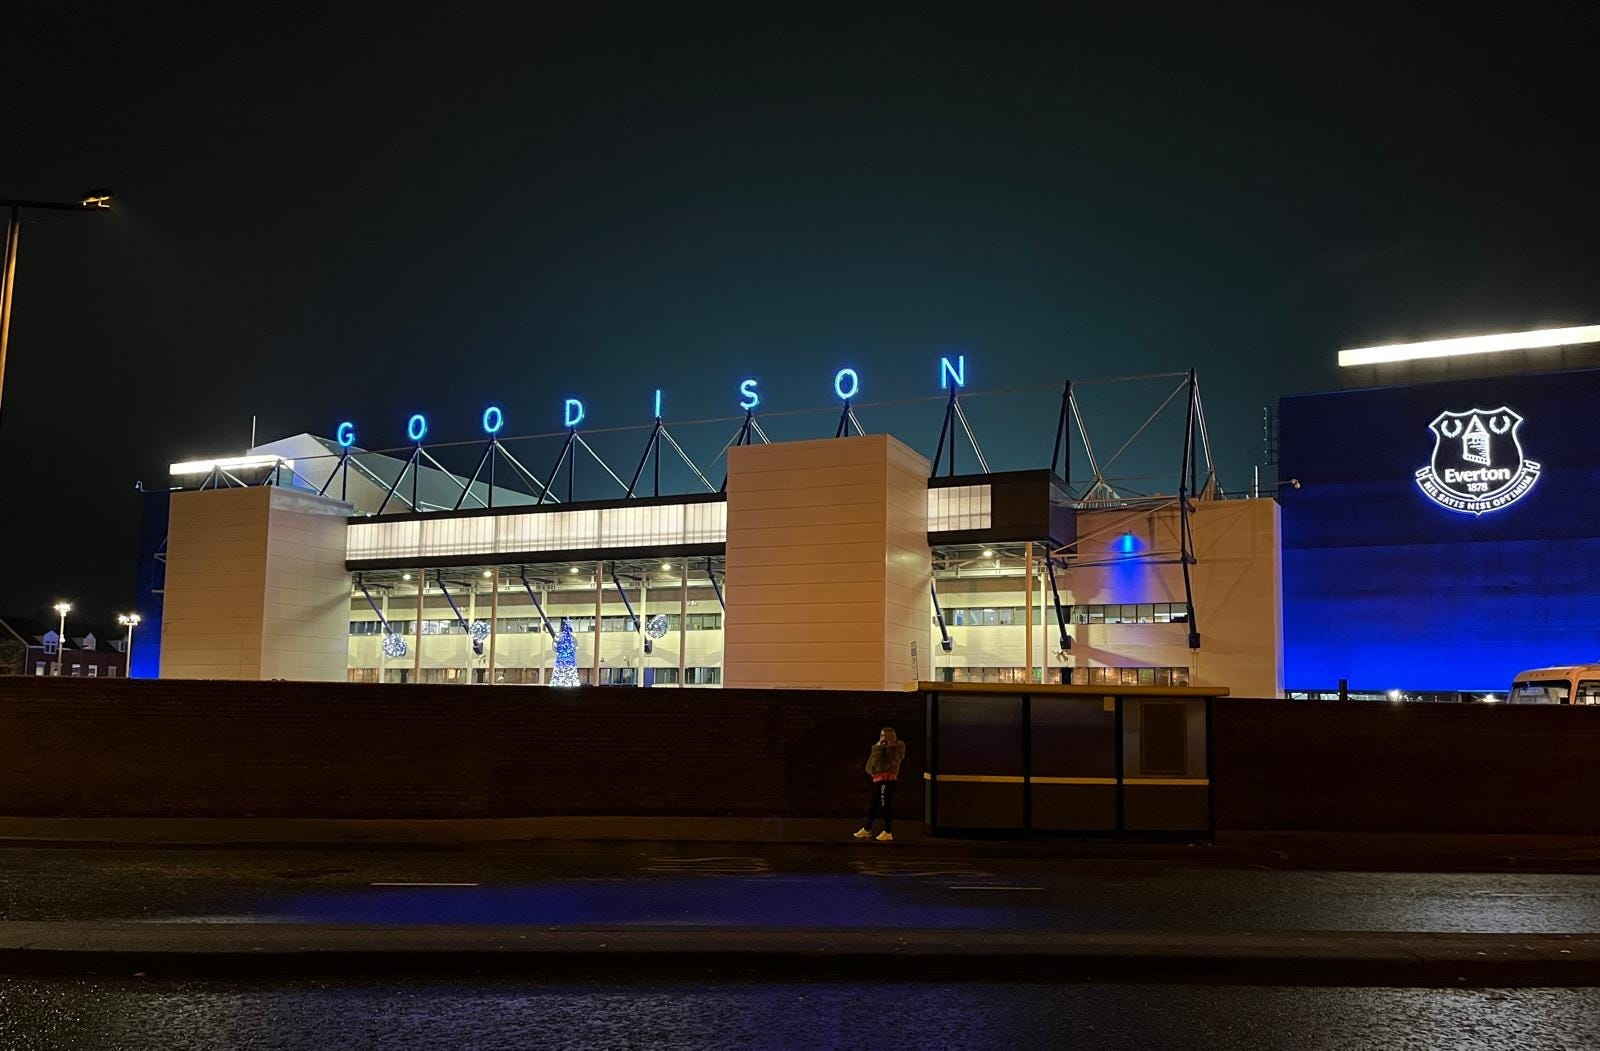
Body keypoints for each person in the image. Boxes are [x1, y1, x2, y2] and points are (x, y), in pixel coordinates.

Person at [854, 727, 907, 842]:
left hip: (888, 780)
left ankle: (888, 832)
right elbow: (870, 767)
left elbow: (888, 764)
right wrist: (877, 749)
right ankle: (867, 829)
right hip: (879, 780)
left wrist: (886, 748)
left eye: (884, 736)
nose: (882, 738)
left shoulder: (898, 746)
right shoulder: (879, 748)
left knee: (885, 805)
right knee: (873, 805)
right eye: (881, 735)